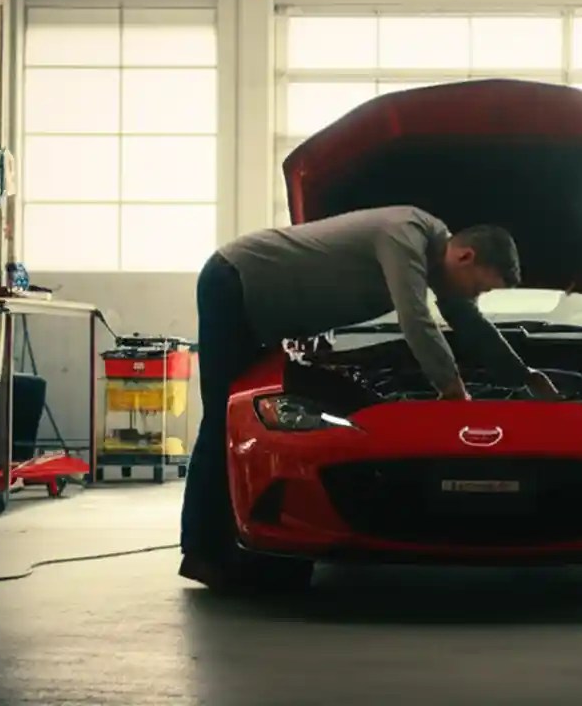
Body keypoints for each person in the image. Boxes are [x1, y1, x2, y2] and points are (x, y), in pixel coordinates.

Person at [179, 205, 559, 590]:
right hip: (235, 282)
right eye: (481, 287)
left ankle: (229, 546)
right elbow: (415, 319)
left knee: (228, 419)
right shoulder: (404, 233)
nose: (477, 296)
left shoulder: (439, 260)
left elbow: (471, 324)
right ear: (465, 256)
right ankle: (200, 552)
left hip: (264, 308)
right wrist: (452, 391)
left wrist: (524, 376)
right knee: (222, 419)